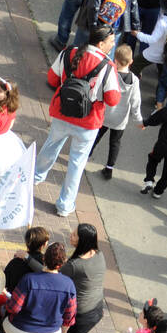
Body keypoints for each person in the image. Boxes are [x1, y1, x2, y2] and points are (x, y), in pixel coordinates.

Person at [34, 26, 120, 218]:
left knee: (51, 146)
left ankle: (35, 176)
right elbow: (113, 99)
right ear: (101, 43)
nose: (113, 44)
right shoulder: (107, 66)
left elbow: (51, 78)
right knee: (76, 163)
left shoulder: (68, 53)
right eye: (111, 41)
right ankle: (64, 205)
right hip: (88, 122)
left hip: (62, 113)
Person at [41, 223, 105, 333]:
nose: (71, 235)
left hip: (83, 315)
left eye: (75, 235)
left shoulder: (75, 265)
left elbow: (50, 274)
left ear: (83, 241)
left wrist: (29, 259)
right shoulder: (99, 255)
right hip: (96, 308)